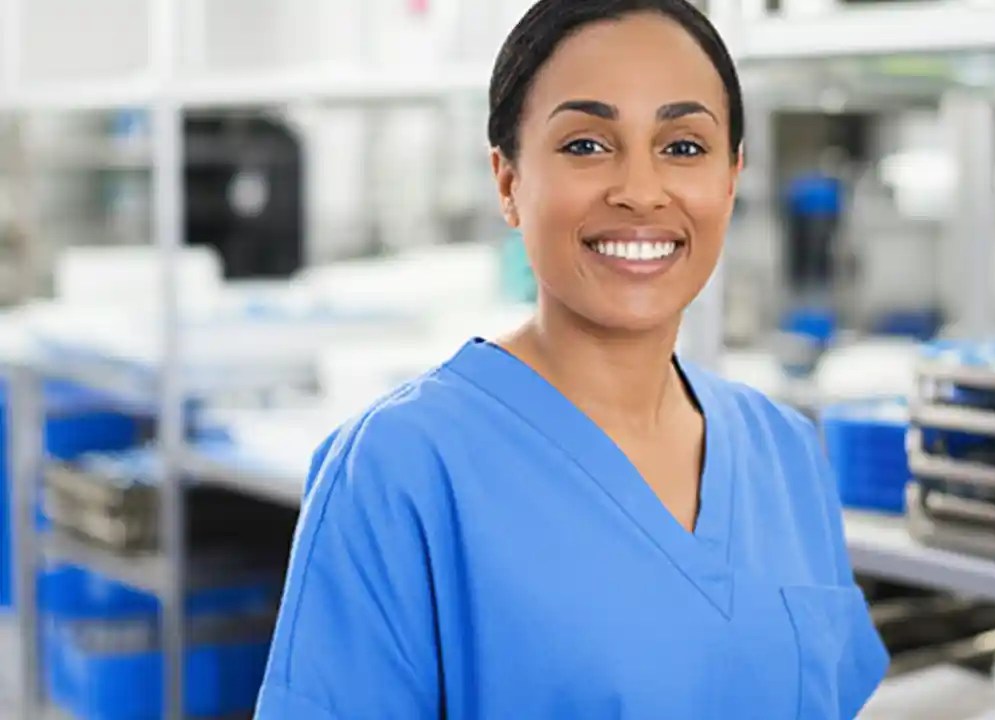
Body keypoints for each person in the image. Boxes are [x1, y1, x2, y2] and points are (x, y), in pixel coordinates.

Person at [254, 0, 888, 717]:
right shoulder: (399, 470)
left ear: (733, 177)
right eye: (586, 145)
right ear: (507, 181)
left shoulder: (786, 453)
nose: (641, 192)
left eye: (683, 147)